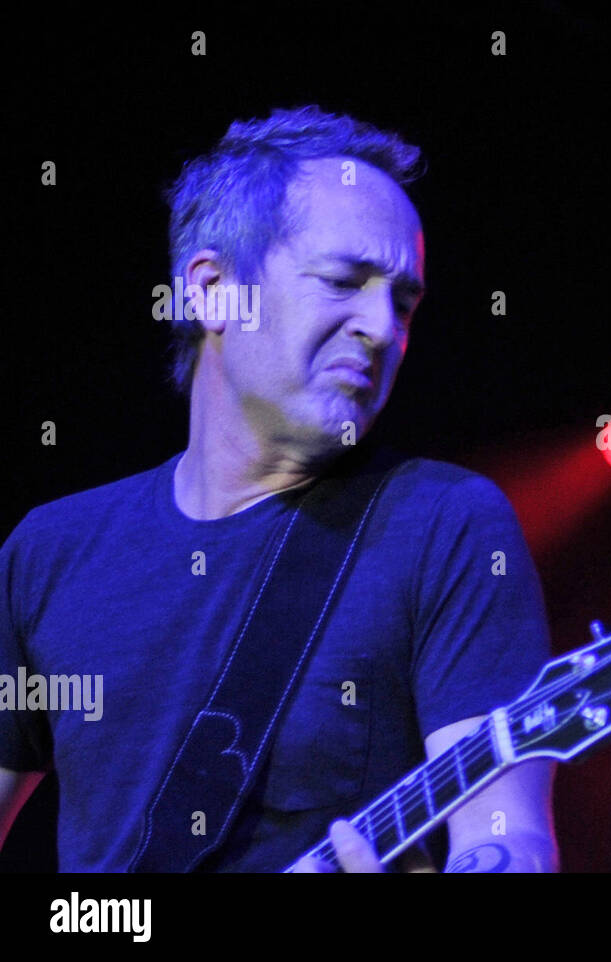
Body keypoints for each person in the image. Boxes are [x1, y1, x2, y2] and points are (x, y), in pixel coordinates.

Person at [0, 106, 558, 872]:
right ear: (212, 289)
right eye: (342, 281)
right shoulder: (50, 551)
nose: (379, 326)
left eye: (404, 301)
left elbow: (505, 831)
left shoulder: (445, 525)